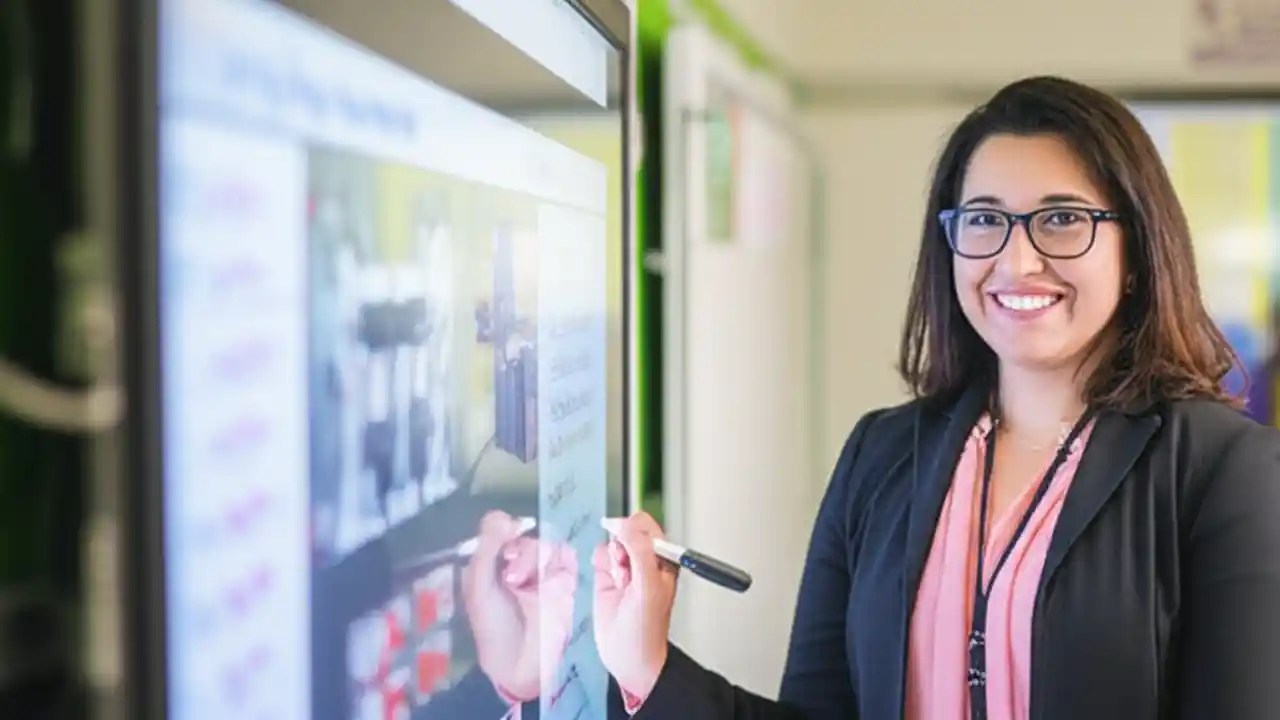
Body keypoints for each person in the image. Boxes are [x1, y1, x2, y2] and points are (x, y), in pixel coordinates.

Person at [592, 76, 1280, 719]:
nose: (1016, 261)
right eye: (984, 220)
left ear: (1136, 253)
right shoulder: (881, 454)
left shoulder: (1224, 469)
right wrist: (648, 664)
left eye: (1063, 219)